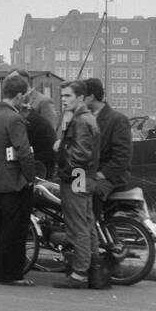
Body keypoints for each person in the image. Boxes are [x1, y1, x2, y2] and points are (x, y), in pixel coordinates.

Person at [0, 74, 38, 285]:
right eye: (24, 95)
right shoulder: (14, 119)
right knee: (14, 231)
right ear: (19, 95)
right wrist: (31, 178)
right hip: (13, 182)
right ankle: (12, 274)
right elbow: (23, 151)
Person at [84, 77, 134, 286]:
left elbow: (123, 156)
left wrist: (102, 174)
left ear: (91, 97)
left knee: (88, 196)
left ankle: (99, 252)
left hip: (112, 177)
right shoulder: (86, 118)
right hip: (91, 174)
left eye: (82, 96)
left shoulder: (116, 119)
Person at [53, 81, 100, 288]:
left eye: (68, 96)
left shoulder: (80, 121)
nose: (63, 100)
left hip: (76, 177)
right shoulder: (86, 118)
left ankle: (79, 273)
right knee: (87, 224)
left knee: (77, 226)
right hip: (85, 177)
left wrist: (63, 167)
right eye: (62, 96)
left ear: (80, 97)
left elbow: (80, 154)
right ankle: (93, 267)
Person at [5, 69, 57, 181]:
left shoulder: (44, 101)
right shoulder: (13, 101)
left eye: (13, 79)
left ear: (24, 80)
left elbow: (50, 130)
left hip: (40, 160)